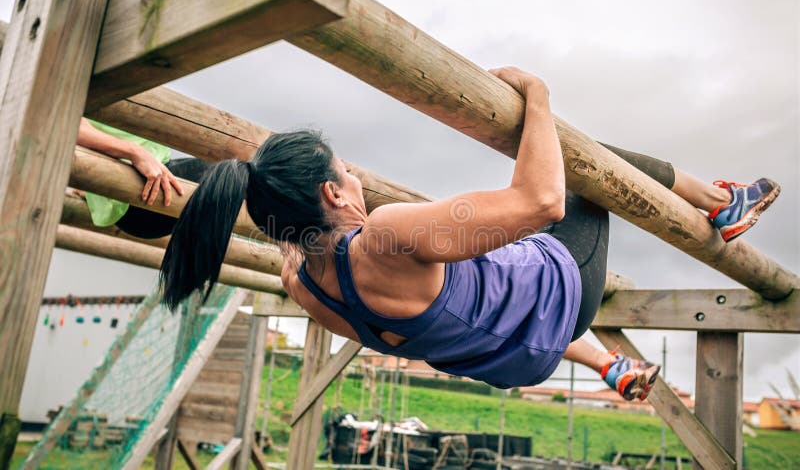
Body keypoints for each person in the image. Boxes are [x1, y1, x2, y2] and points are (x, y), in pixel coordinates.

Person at [117, 67, 781, 400]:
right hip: (558, 299)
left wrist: (202, 181)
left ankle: (716, 205)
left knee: (555, 187)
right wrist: (538, 97)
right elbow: (544, 200)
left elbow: (277, 219)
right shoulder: (383, 236)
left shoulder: (302, 281)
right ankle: (721, 203)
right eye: (347, 170)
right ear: (332, 192)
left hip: (520, 358)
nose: (356, 180)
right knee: (589, 163)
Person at [76, 118, 211, 238]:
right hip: (138, 197)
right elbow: (74, 127)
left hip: (159, 173)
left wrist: (90, 194)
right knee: (223, 170)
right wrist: (134, 152)